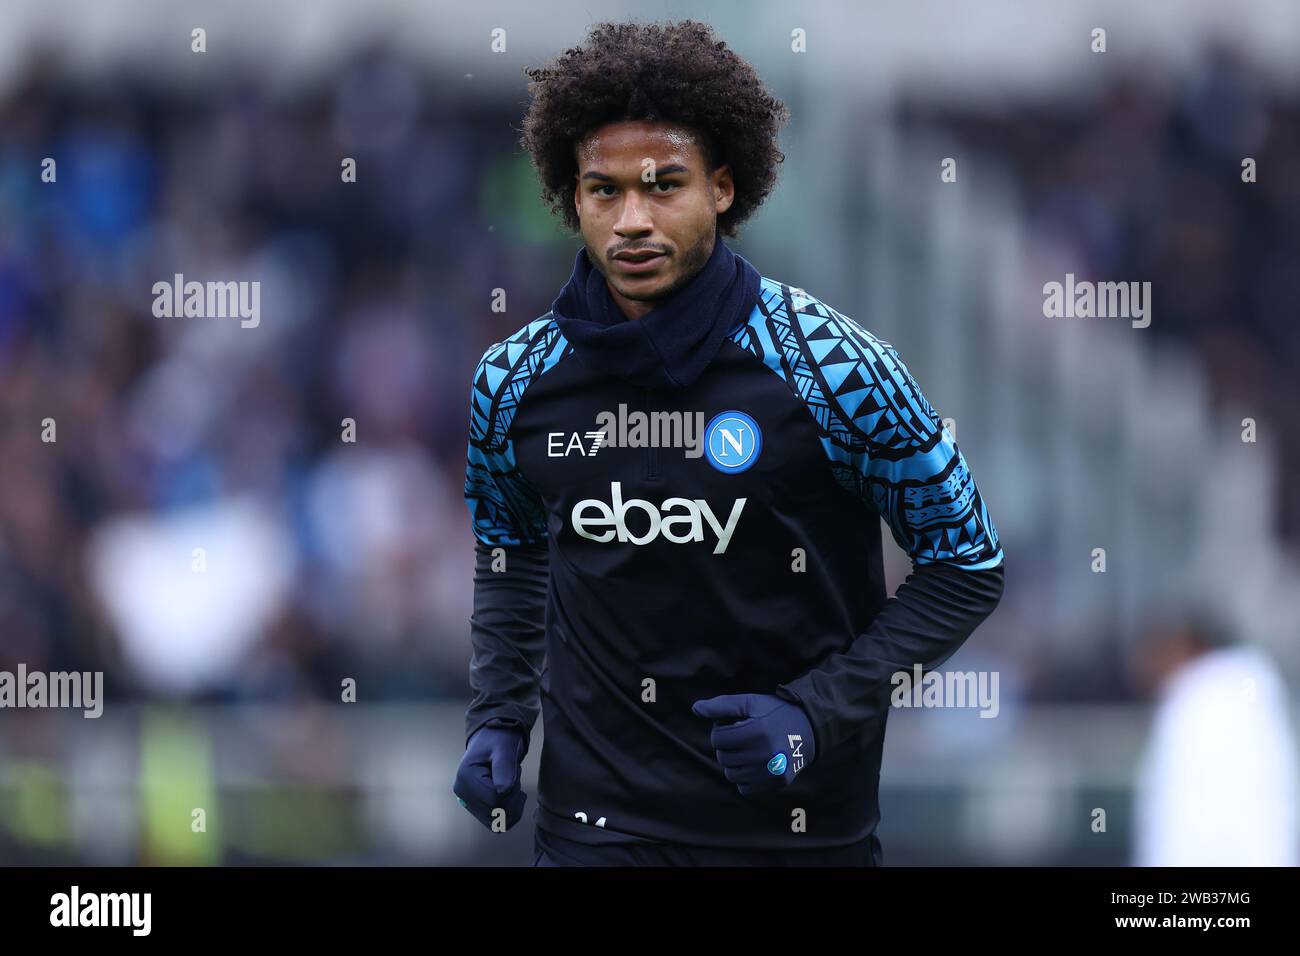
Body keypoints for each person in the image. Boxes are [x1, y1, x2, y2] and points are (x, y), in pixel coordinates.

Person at [453, 19, 1005, 866]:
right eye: (604, 191)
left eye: (663, 185)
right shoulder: (512, 382)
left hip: (796, 835)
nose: (632, 220)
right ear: (572, 199)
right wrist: (498, 714)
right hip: (595, 834)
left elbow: (966, 565)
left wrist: (819, 713)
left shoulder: (836, 369)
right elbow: (511, 549)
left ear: (721, 186)